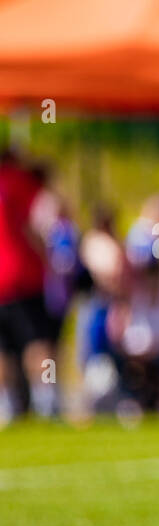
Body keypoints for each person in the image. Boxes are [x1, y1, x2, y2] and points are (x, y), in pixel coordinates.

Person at [0, 148, 54, 421]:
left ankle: (6, 407)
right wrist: (48, 258)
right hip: (22, 274)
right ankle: (46, 401)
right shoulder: (17, 181)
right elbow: (38, 223)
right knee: (37, 341)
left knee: (3, 347)